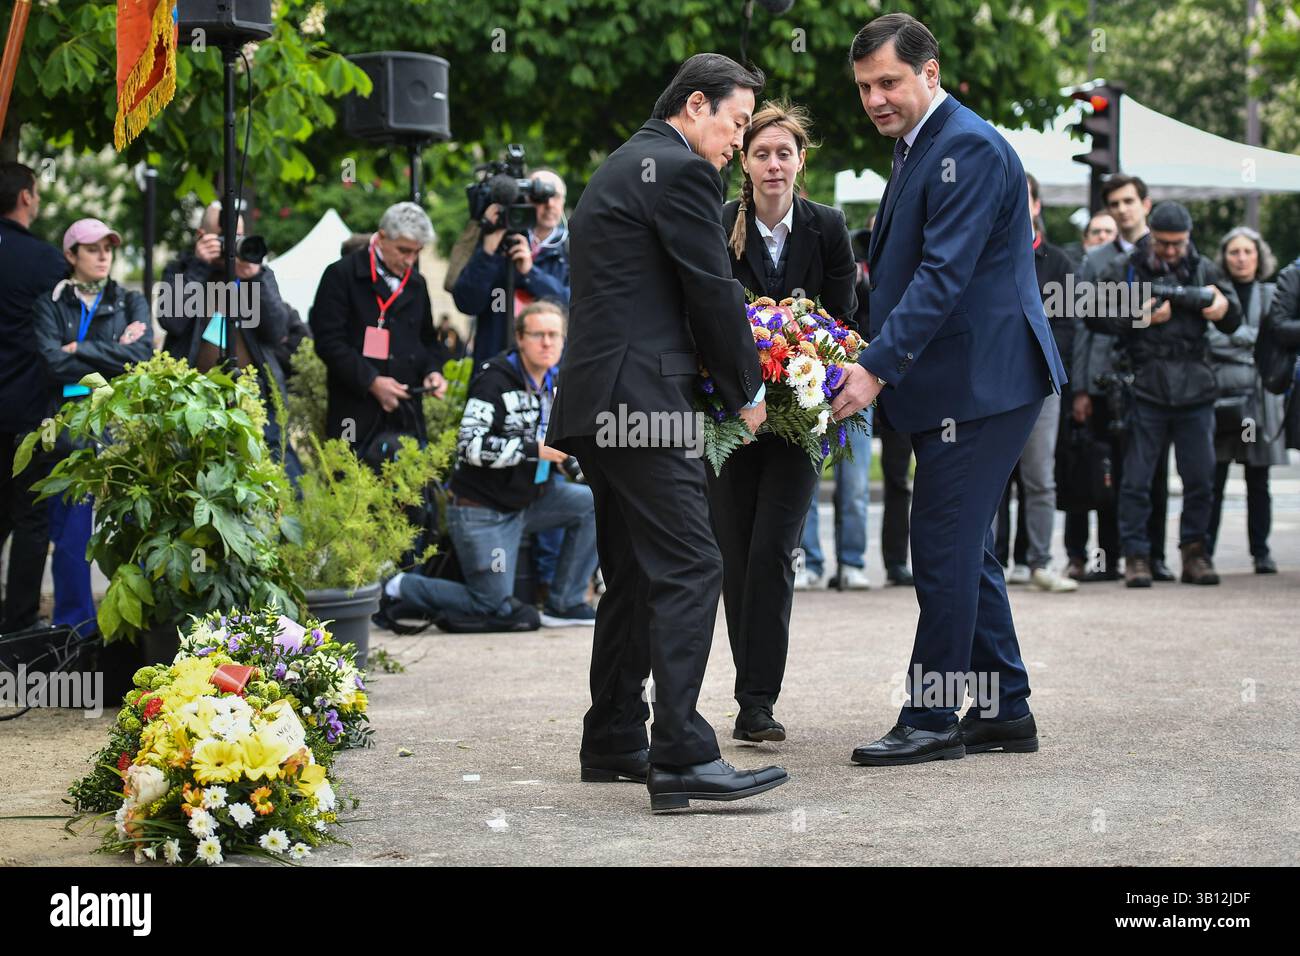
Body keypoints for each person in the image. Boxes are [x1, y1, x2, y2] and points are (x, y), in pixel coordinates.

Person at [548, 53, 788, 812]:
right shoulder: (680, 171)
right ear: (695, 105)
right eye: (738, 124)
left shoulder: (623, 163)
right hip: (645, 401)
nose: (737, 144)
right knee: (692, 565)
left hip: (602, 403)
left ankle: (617, 731)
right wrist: (748, 387)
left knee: (637, 571)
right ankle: (681, 749)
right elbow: (711, 289)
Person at [832, 13, 1066, 765]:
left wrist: (873, 367)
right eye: (866, 86)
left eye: (889, 82)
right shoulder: (920, 146)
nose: (876, 98)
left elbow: (942, 277)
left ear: (930, 74)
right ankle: (1004, 711)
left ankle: (932, 716)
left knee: (939, 548)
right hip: (965, 382)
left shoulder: (964, 144)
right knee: (967, 550)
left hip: (983, 385)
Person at [709, 99, 858, 742]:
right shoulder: (718, 225)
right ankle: (750, 688)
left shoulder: (827, 227)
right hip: (729, 419)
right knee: (734, 555)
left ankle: (756, 700)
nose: (774, 164)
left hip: (801, 418)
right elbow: (702, 318)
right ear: (746, 161)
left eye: (784, 153)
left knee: (774, 551)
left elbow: (849, 321)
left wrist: (813, 355)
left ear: (801, 162)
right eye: (762, 153)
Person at [381, 302, 598, 629]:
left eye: (554, 335)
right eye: (538, 334)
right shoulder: (494, 379)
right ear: (520, 338)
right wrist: (532, 450)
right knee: (491, 602)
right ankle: (399, 586)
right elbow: (469, 446)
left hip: (530, 501)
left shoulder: (557, 381)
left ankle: (564, 603)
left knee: (594, 503)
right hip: (482, 511)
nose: (547, 343)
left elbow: (560, 444)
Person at [1085, 201, 1240, 587]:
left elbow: (1234, 316)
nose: (1171, 250)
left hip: (1196, 386)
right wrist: (1139, 316)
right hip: (1147, 384)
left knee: (1201, 478)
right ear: (1151, 234)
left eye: (1178, 243)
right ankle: (1136, 556)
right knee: (1137, 479)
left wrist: (1222, 306)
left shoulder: (1205, 268)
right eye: (1164, 242)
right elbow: (1092, 313)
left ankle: (1195, 553)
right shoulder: (1125, 268)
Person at [33, 219, 153, 634]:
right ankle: (75, 629)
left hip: (120, 427)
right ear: (71, 255)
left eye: (108, 247)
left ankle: (130, 631)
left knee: (129, 526)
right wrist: (110, 355)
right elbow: (51, 362)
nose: (103, 255)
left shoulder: (129, 300)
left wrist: (80, 349)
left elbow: (138, 356)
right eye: (92, 248)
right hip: (68, 430)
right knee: (70, 537)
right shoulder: (50, 302)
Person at [1069, 176, 1172, 582]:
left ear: (1145, 204)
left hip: (1155, 378)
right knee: (1108, 468)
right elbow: (1083, 326)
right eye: (1115, 203)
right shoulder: (1095, 261)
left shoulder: (1170, 251)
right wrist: (1081, 386)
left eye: (1129, 201)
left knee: (1154, 472)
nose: (1123, 209)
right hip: (1105, 378)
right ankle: (1110, 558)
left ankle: (1155, 556)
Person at [159, 201, 300, 480]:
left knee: (278, 480)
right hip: (194, 398)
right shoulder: (180, 270)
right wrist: (199, 268)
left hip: (254, 399)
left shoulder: (257, 272)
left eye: (237, 238)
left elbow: (277, 332)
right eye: (223, 238)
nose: (231, 245)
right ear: (202, 236)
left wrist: (254, 278)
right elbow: (171, 321)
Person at [310, 202, 449, 460]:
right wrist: (372, 381)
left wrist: (432, 371)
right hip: (355, 411)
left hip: (405, 412)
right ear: (382, 237)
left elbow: (427, 340)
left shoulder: (416, 284)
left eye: (417, 252)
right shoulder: (341, 274)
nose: (410, 260)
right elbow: (329, 342)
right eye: (404, 250)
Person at [997, 176, 1078, 592]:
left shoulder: (1058, 262)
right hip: (995, 383)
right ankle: (993, 562)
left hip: (1042, 382)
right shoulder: (989, 253)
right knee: (993, 478)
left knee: (1040, 477)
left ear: (1036, 205)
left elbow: (1066, 326)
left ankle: (1041, 562)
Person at [0, 162, 67, 632]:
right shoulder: (44, 260)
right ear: (26, 196)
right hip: (26, 408)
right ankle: (20, 625)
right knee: (30, 519)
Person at [1205, 227, 1283, 572]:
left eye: (1247, 252)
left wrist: (1234, 338)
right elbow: (1210, 340)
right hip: (1220, 397)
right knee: (1214, 478)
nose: (1240, 258)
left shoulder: (1272, 294)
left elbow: (1275, 338)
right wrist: (1250, 341)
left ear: (1258, 256)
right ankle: (1203, 551)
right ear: (1225, 257)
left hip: (1259, 399)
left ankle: (1261, 551)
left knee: (1258, 479)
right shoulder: (1214, 293)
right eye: (1234, 252)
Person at [452, 170, 570, 363]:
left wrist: (530, 273)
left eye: (555, 196)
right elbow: (466, 302)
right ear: (524, 200)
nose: (549, 204)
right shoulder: (498, 241)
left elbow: (573, 307)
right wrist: (489, 249)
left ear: (563, 201)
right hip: (495, 365)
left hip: (549, 372)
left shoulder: (571, 250)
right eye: (540, 197)